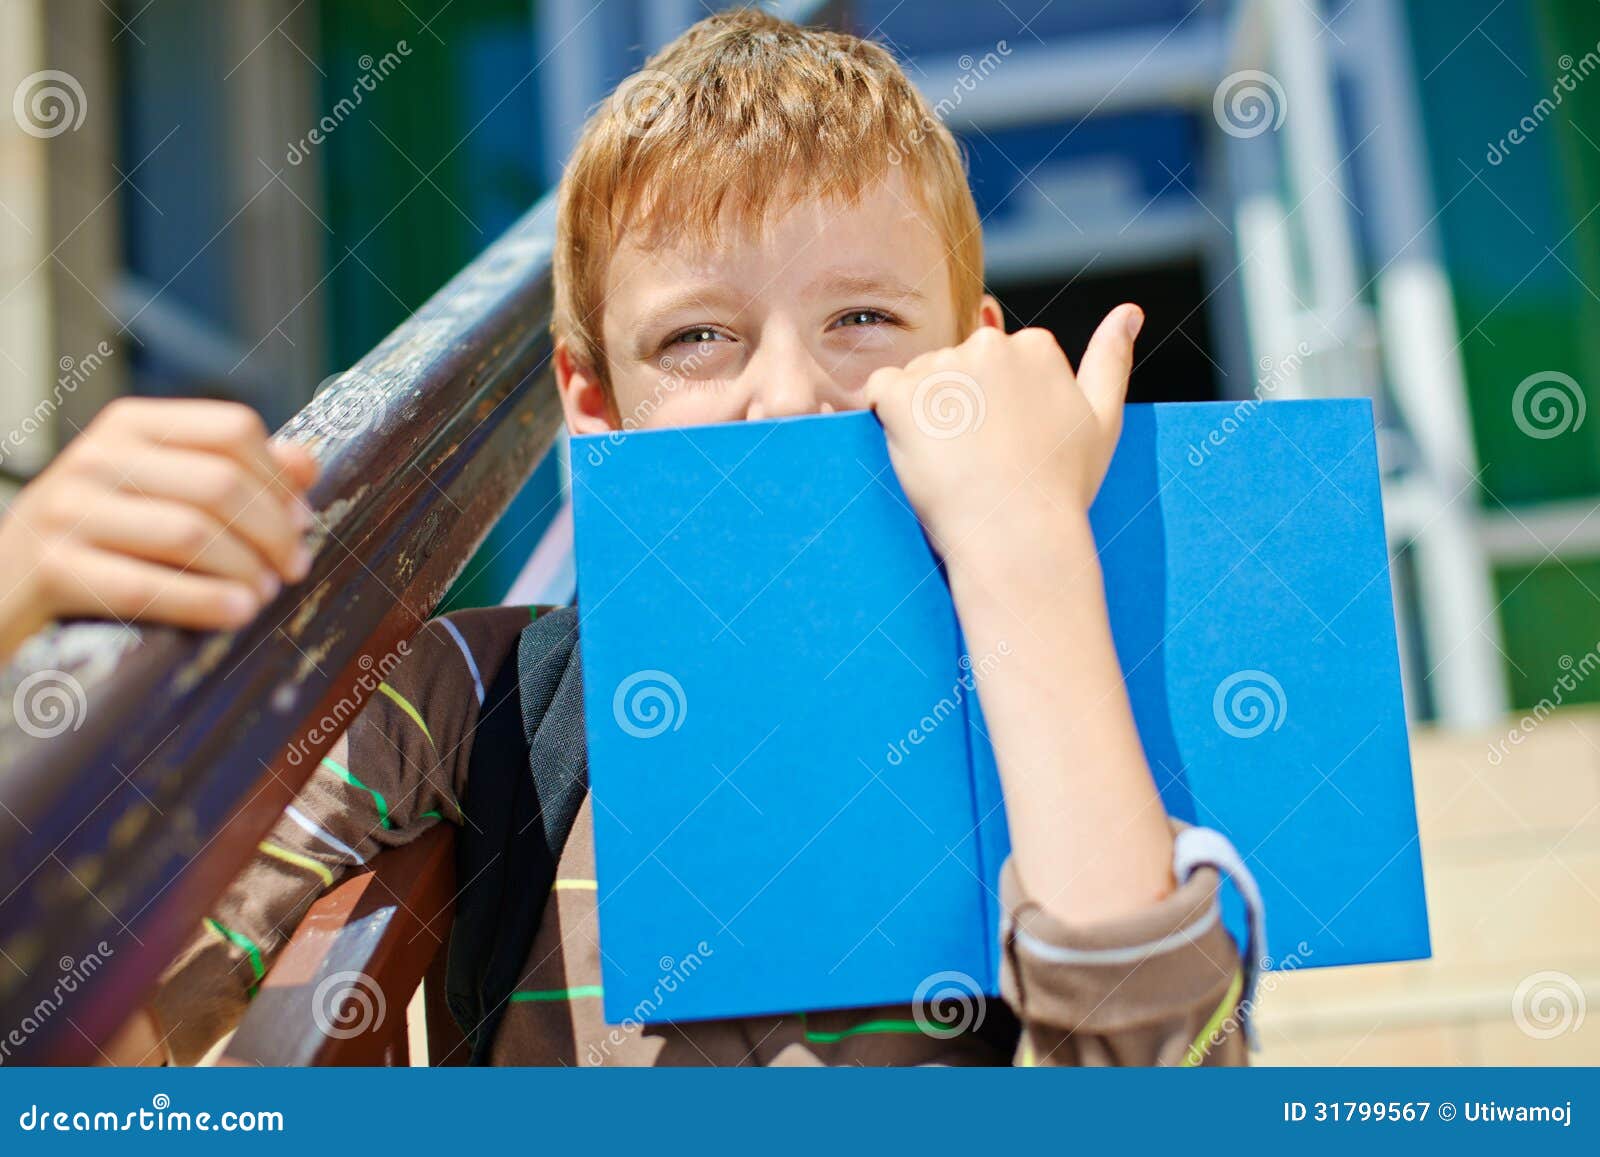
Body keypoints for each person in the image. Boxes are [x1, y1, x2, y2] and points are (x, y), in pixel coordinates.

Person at [9, 8, 1255, 1066]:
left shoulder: (1057, 674)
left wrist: (1024, 543)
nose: (786, 395)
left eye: (865, 315)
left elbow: (1174, 1084)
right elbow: (77, 1034)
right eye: (698, 338)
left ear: (975, 359)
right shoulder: (477, 695)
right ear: (594, 403)